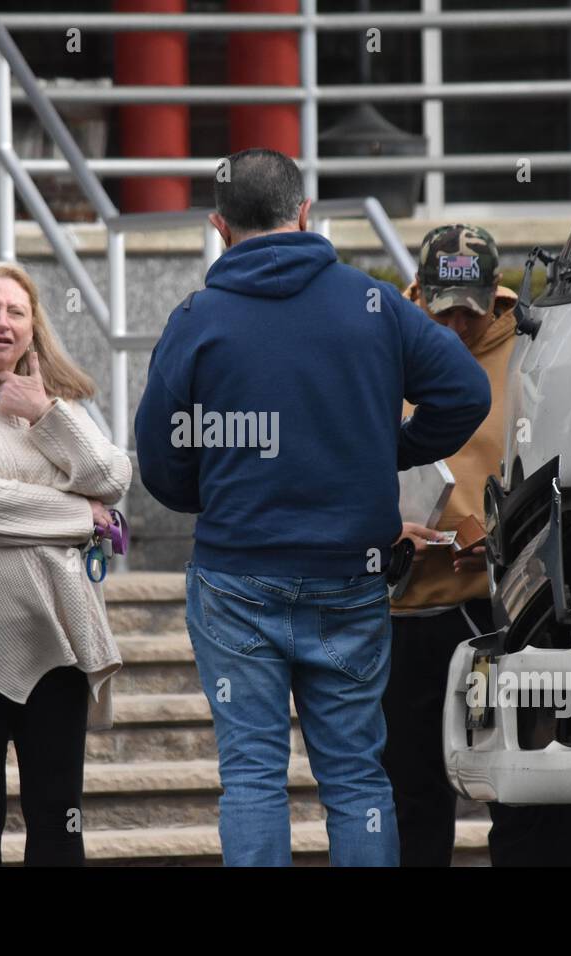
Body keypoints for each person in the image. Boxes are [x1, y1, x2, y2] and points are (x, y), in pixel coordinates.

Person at [134, 148, 491, 866]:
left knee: (253, 780)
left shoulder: (196, 318)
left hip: (236, 576)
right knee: (358, 778)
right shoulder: (373, 302)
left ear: (218, 226)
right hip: (350, 577)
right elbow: (466, 394)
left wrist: (220, 489)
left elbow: (162, 464)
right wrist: (379, 452)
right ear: (305, 215)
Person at [382, 223, 571, 866]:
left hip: (505, 612)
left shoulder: (531, 353)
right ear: (419, 296)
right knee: (408, 798)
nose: (455, 328)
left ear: (496, 296)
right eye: (442, 312)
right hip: (406, 606)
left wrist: (506, 537)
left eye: (470, 313)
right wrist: (383, 530)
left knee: (529, 792)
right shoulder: (385, 349)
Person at [0, 262, 131, 866]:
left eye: (16, 311)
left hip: (55, 640)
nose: (3, 322)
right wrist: (76, 517)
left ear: (33, 326)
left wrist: (45, 413)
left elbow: (113, 478)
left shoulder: (48, 397)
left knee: (58, 815)